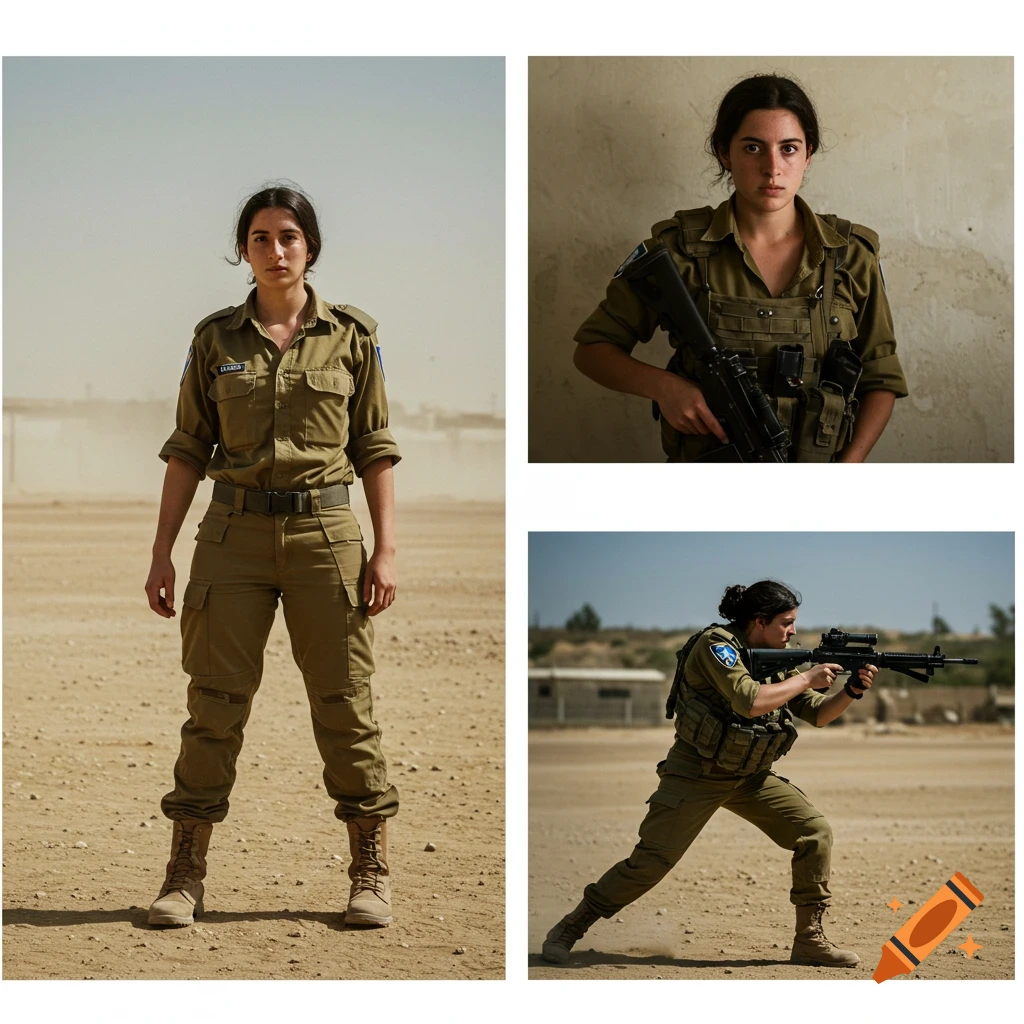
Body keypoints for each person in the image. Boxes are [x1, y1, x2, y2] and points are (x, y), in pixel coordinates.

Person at [143, 183, 400, 929]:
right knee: (213, 706)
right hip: (233, 539)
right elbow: (188, 449)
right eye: (259, 237)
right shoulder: (214, 340)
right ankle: (184, 876)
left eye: (288, 236)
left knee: (345, 705)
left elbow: (375, 447)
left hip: (326, 538)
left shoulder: (352, 337)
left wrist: (385, 549)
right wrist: (161, 553)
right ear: (244, 250)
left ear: (309, 247)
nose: (275, 249)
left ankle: (370, 873)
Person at [573, 74, 908, 463]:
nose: (772, 168)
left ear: (808, 155)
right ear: (724, 153)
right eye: (753, 147)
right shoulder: (677, 251)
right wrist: (665, 388)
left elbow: (880, 378)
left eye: (788, 149)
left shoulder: (850, 256)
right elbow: (592, 351)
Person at [541, 580, 877, 967]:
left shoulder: (776, 658)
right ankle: (570, 928)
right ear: (759, 620)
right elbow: (749, 701)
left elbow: (818, 714)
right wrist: (806, 677)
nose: (793, 632)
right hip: (698, 772)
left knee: (814, 833)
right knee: (651, 861)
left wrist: (850, 691)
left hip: (750, 776)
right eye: (786, 622)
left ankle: (809, 941)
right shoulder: (717, 646)